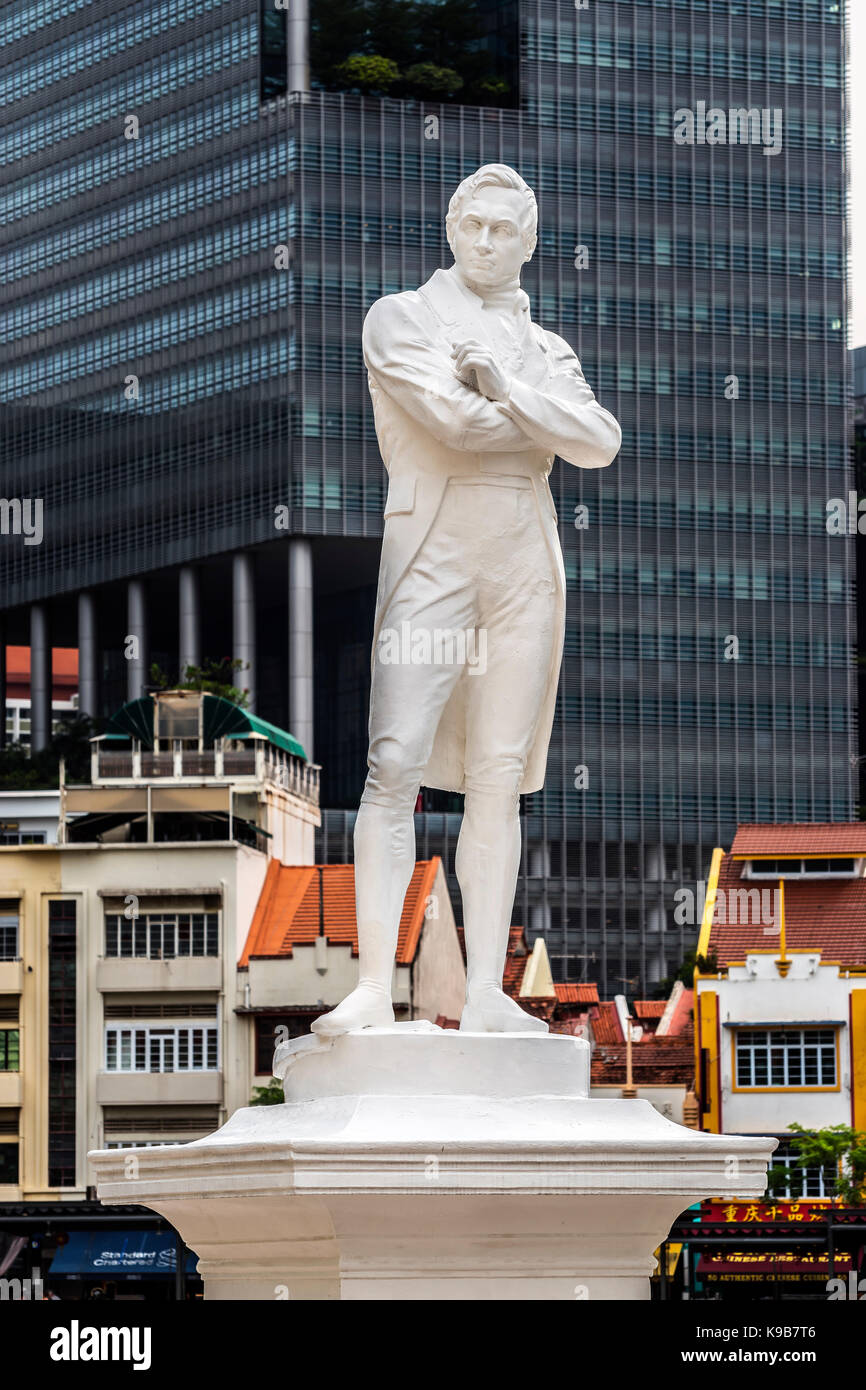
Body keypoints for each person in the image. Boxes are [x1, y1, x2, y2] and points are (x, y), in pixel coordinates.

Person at [312, 164, 621, 1037]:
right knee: (394, 761)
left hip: (524, 564)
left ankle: (486, 989)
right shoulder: (401, 318)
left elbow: (600, 441)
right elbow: (451, 425)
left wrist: (508, 388)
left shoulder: (546, 349)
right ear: (452, 228)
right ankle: (376, 983)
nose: (487, 242)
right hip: (435, 557)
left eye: (505, 230)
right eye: (474, 225)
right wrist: (536, 423)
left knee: (498, 776)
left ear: (530, 241)